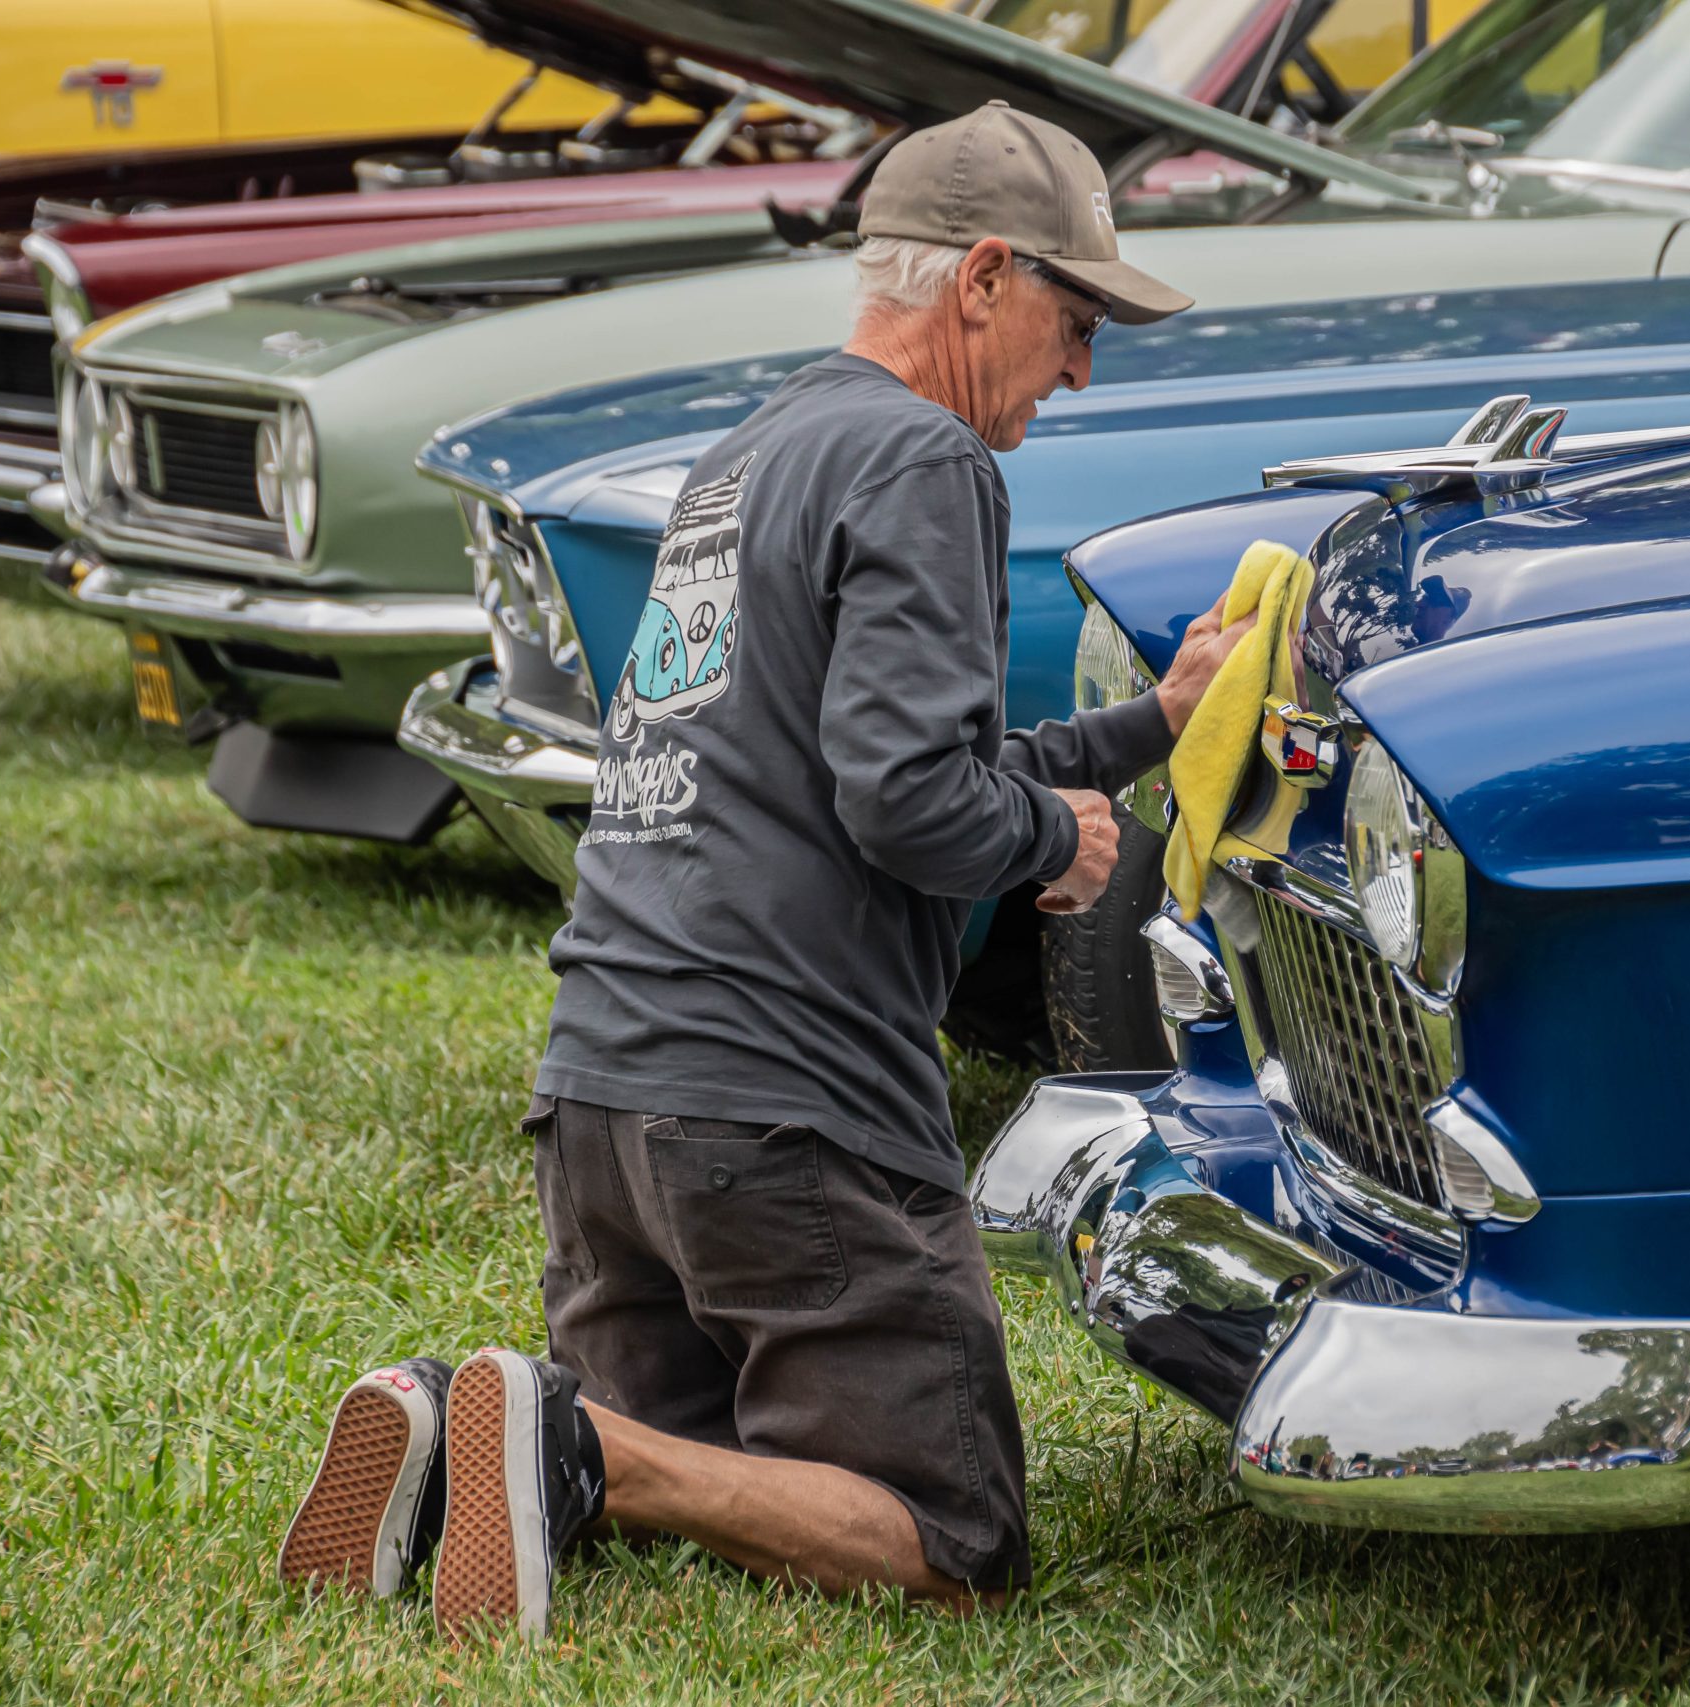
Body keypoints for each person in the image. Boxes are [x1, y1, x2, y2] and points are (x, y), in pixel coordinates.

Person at [276, 101, 1256, 1641]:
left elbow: (816, 763)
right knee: (952, 1539)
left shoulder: (755, 455)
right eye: (1075, 321)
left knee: (732, 1482)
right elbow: (909, 799)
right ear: (985, 278)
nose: (1079, 370)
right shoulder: (928, 459)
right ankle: (562, 1438)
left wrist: (1148, 729)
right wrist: (1058, 843)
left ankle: (458, 1426)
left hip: (602, 1108)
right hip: (781, 1118)